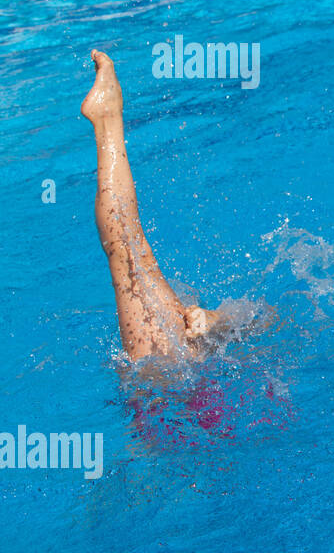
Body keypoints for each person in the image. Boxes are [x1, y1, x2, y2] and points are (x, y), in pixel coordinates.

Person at [81, 50, 226, 361]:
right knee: (131, 254)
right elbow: (262, 317)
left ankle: (109, 123)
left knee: (129, 255)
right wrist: (218, 320)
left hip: (156, 386)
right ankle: (108, 121)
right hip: (178, 377)